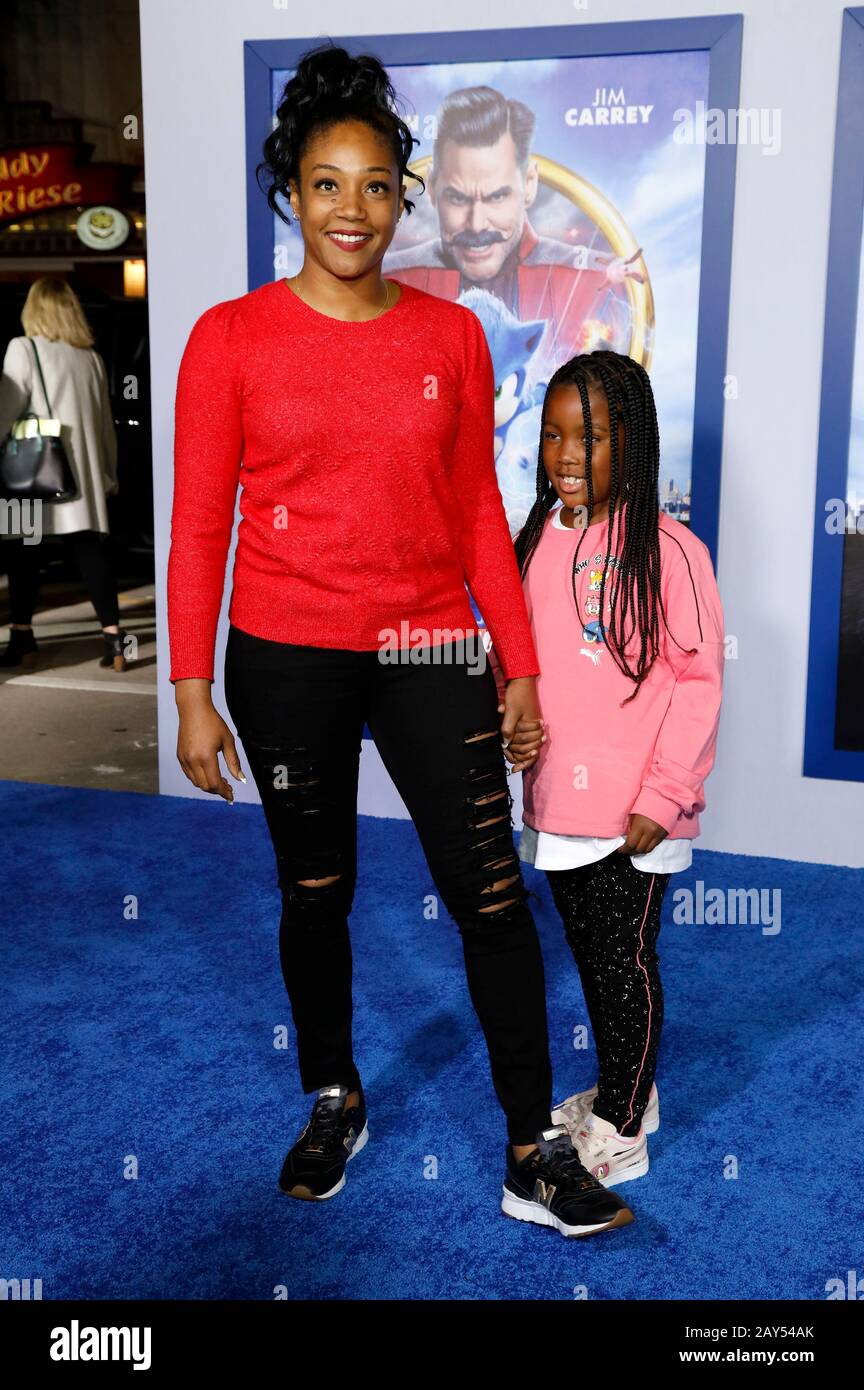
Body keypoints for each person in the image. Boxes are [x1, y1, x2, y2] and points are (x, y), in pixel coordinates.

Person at [167, 41, 634, 1238]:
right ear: (292, 193)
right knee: (313, 891)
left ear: (401, 196)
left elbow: (479, 510)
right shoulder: (227, 338)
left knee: (489, 898)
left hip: (434, 649)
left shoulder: (449, 340)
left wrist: (519, 663)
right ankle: (333, 1094)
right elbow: (198, 523)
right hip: (288, 654)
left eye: (377, 184)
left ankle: (533, 1146)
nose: (353, 209)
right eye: (328, 183)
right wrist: (190, 688)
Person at [492, 350, 725, 1187]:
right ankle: (633, 1090)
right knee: (592, 958)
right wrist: (511, 721)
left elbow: (699, 684)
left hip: (635, 811)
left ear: (632, 442)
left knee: (627, 966)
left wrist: (666, 795)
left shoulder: (669, 551)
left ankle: (623, 1127)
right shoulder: (533, 541)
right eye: (552, 435)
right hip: (556, 807)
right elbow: (517, 663)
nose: (565, 455)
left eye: (587, 437)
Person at [0, 277, 130, 671]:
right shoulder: (89, 357)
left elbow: (5, 413)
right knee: (91, 555)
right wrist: (108, 474)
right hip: (82, 479)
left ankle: (22, 637)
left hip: (32, 475)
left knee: (23, 554)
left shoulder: (23, 349)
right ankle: (114, 639)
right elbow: (106, 424)